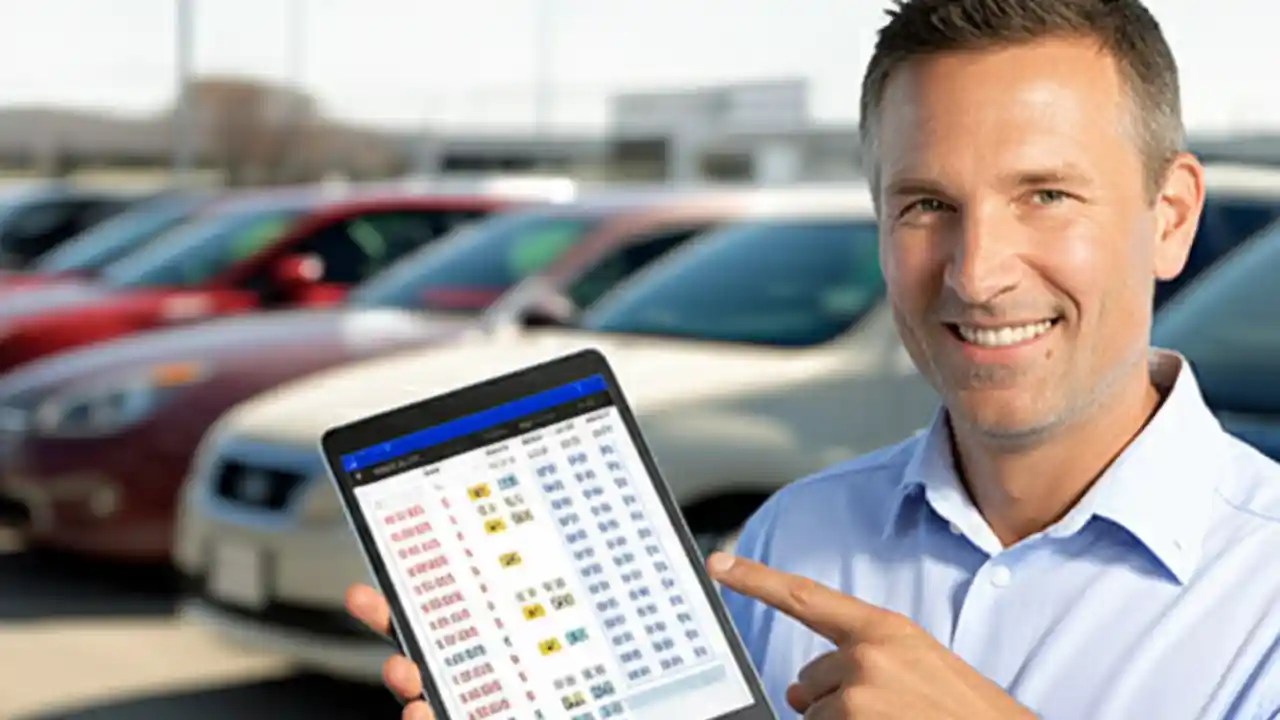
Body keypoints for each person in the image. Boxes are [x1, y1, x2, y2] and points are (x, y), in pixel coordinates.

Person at [345, 0, 1280, 717]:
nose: (979, 272)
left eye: (1044, 194)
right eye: (924, 205)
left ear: (1172, 216)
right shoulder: (794, 539)